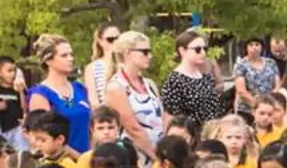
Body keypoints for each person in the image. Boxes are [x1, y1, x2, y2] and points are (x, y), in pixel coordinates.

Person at [27, 35, 94, 155]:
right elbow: (44, 139)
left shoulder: (79, 88)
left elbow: (90, 127)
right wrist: (78, 158)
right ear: (48, 60)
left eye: (71, 54)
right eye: (64, 55)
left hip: (86, 158)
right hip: (60, 163)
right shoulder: (41, 94)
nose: (70, 59)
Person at [102, 31, 164, 159]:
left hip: (158, 150)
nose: (150, 56)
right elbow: (133, 129)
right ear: (128, 54)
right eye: (145, 52)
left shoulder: (149, 84)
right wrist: (157, 158)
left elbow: (161, 118)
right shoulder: (116, 87)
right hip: (135, 156)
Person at [162, 31, 226, 123]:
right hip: (191, 133)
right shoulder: (175, 81)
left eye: (205, 49)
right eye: (197, 49)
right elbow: (172, 118)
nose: (203, 53)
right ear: (182, 51)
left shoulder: (205, 77)